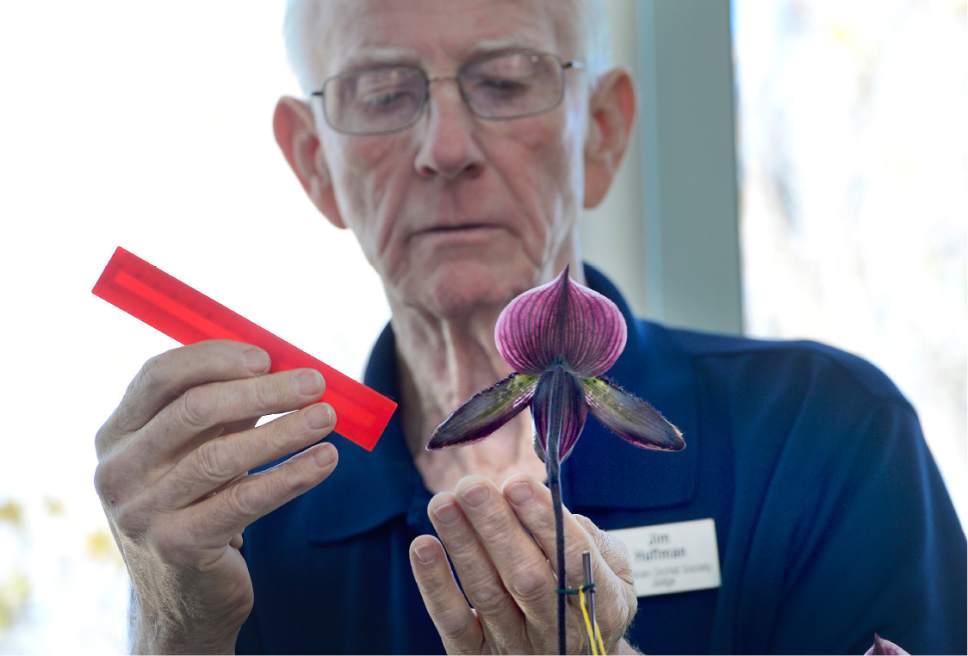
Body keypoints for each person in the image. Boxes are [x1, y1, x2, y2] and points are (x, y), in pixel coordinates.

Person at [93, 0, 966, 653]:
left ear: (604, 135)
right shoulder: (252, 520)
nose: (445, 146)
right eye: (383, 92)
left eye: (505, 81)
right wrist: (175, 626)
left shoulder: (822, 437)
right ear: (315, 164)